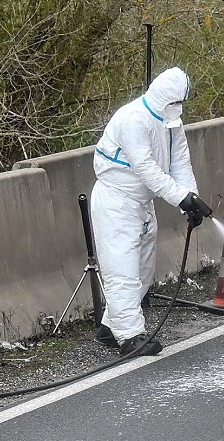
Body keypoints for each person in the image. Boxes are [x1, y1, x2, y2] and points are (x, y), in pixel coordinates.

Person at [90, 67, 212, 356]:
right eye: (175, 102)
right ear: (162, 97)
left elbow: (180, 162)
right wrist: (181, 198)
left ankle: (111, 326)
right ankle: (131, 337)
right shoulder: (133, 119)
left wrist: (191, 198)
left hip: (142, 204)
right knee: (122, 270)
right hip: (117, 201)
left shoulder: (171, 122)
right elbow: (146, 168)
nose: (179, 108)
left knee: (143, 270)